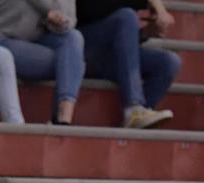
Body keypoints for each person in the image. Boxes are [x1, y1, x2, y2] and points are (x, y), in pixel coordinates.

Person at [75, 0, 181, 129]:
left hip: (111, 58)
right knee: (126, 16)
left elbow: (123, 40)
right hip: (81, 49)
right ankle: (133, 107)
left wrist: (146, 32)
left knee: (169, 62)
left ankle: (138, 119)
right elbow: (92, 12)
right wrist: (159, 9)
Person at [0, 0, 84, 125]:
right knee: (69, 62)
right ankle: (59, 119)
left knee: (73, 38)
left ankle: (64, 118)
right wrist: (48, 12)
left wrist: (59, 20)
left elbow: (69, 22)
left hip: (32, 41)